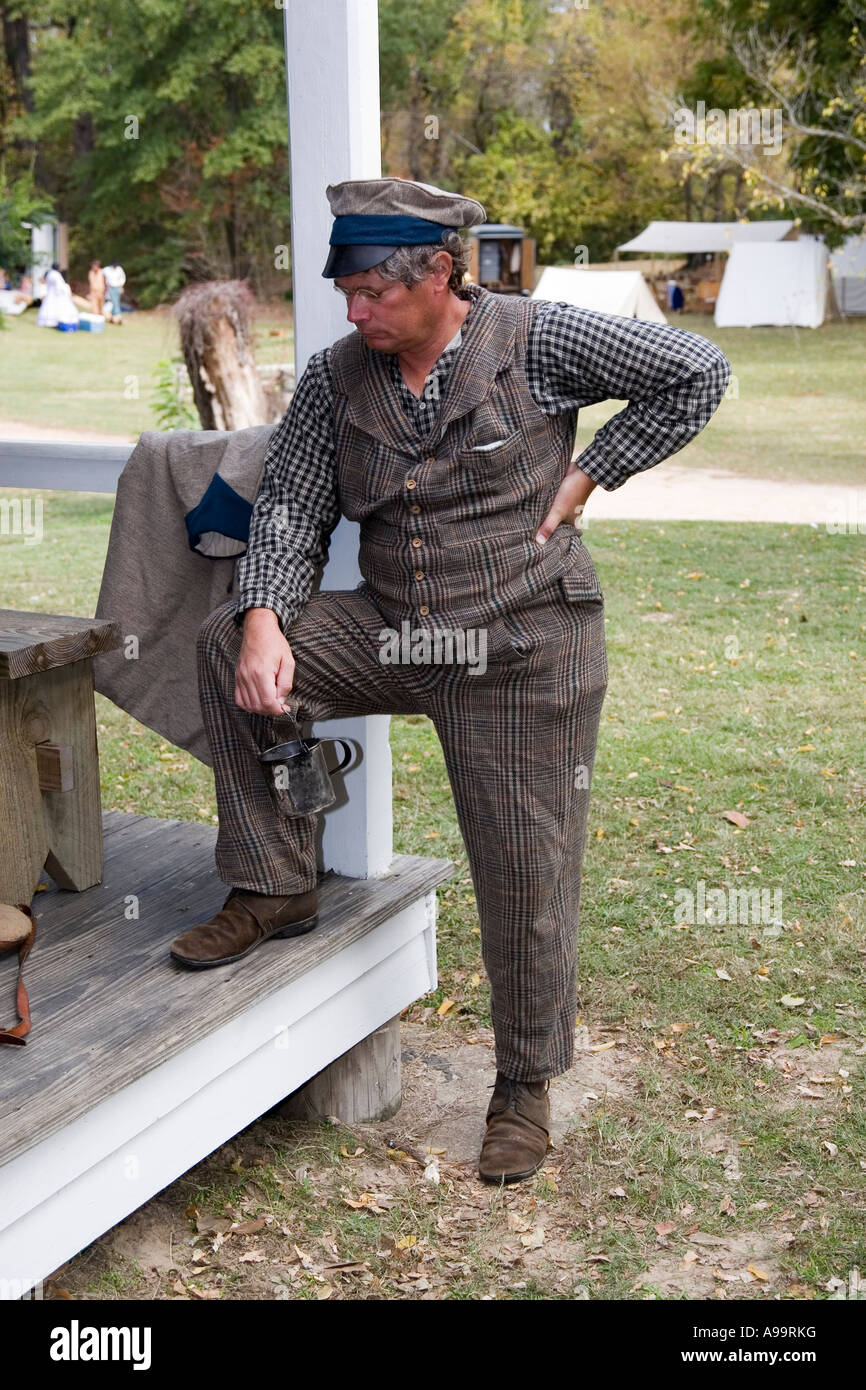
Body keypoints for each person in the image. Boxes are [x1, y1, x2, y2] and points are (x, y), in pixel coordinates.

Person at [171, 177, 731, 1185]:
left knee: (524, 866)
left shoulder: (536, 337)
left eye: (371, 292)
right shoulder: (339, 375)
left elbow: (696, 368)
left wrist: (593, 468)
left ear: (438, 272)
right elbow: (293, 507)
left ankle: (522, 1083)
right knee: (225, 642)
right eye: (342, 290)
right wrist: (263, 618)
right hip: (394, 629)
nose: (352, 311)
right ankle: (273, 879)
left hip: (520, 646)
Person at [36, 262, 79, 328]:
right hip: (56, 294)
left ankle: (47, 322)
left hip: (50, 293)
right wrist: (65, 292)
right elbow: (60, 286)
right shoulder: (56, 275)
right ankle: (55, 322)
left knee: (48, 308)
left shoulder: (49, 274)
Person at [103, 258, 126, 322]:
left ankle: (116, 316)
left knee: (116, 302)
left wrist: (120, 285)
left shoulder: (119, 269)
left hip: (117, 288)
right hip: (109, 288)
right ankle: (110, 315)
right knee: (109, 301)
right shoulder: (107, 269)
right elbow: (102, 275)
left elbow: (123, 278)